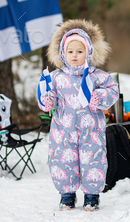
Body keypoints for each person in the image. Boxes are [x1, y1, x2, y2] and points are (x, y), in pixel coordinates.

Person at [37, 19, 119, 211]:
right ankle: (67, 195)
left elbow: (113, 90)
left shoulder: (97, 76)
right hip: (63, 130)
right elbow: (50, 96)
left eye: (79, 51)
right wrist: (47, 101)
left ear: (88, 52)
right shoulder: (57, 77)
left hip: (91, 130)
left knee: (93, 160)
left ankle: (92, 195)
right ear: (63, 53)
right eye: (70, 51)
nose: (75, 55)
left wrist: (100, 96)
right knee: (64, 161)